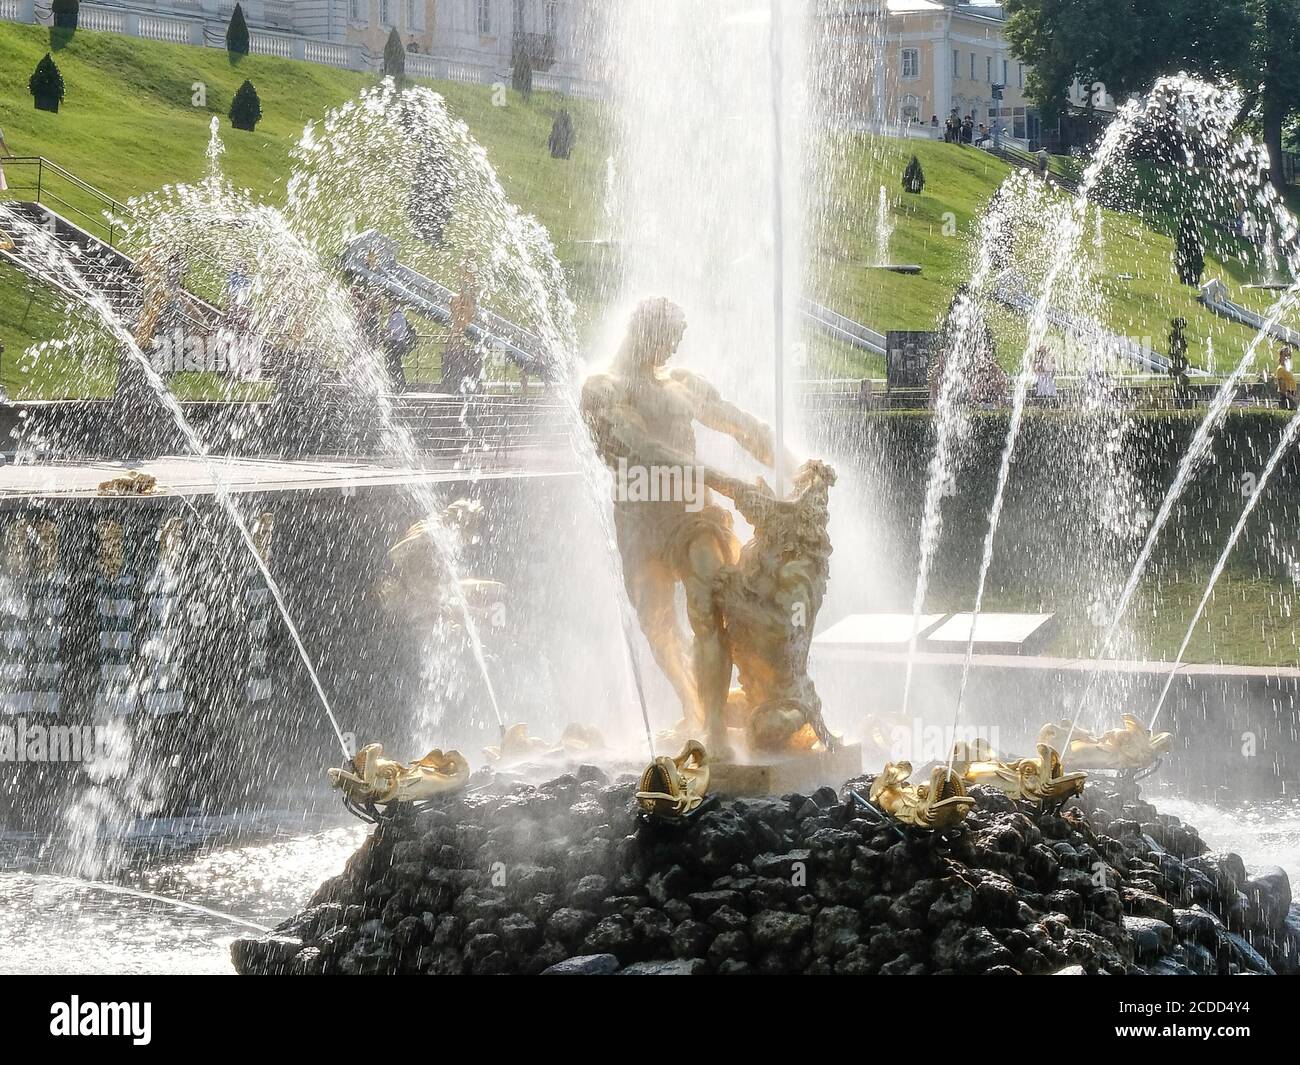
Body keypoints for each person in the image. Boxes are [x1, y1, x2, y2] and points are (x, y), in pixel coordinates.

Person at [385, 305, 415, 393]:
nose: (388, 306)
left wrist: (387, 332)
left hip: (395, 343)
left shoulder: (397, 316)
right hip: (397, 343)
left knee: (393, 364)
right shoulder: (398, 315)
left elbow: (396, 331)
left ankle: (399, 384)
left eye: (390, 304)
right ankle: (399, 384)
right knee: (395, 364)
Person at [1276, 346, 1297, 410]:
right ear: (1281, 356)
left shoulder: (1287, 368)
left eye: (1289, 356)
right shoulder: (1281, 369)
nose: (1288, 358)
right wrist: (1292, 398)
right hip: (1286, 397)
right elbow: (1282, 389)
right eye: (1286, 355)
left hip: (1291, 394)